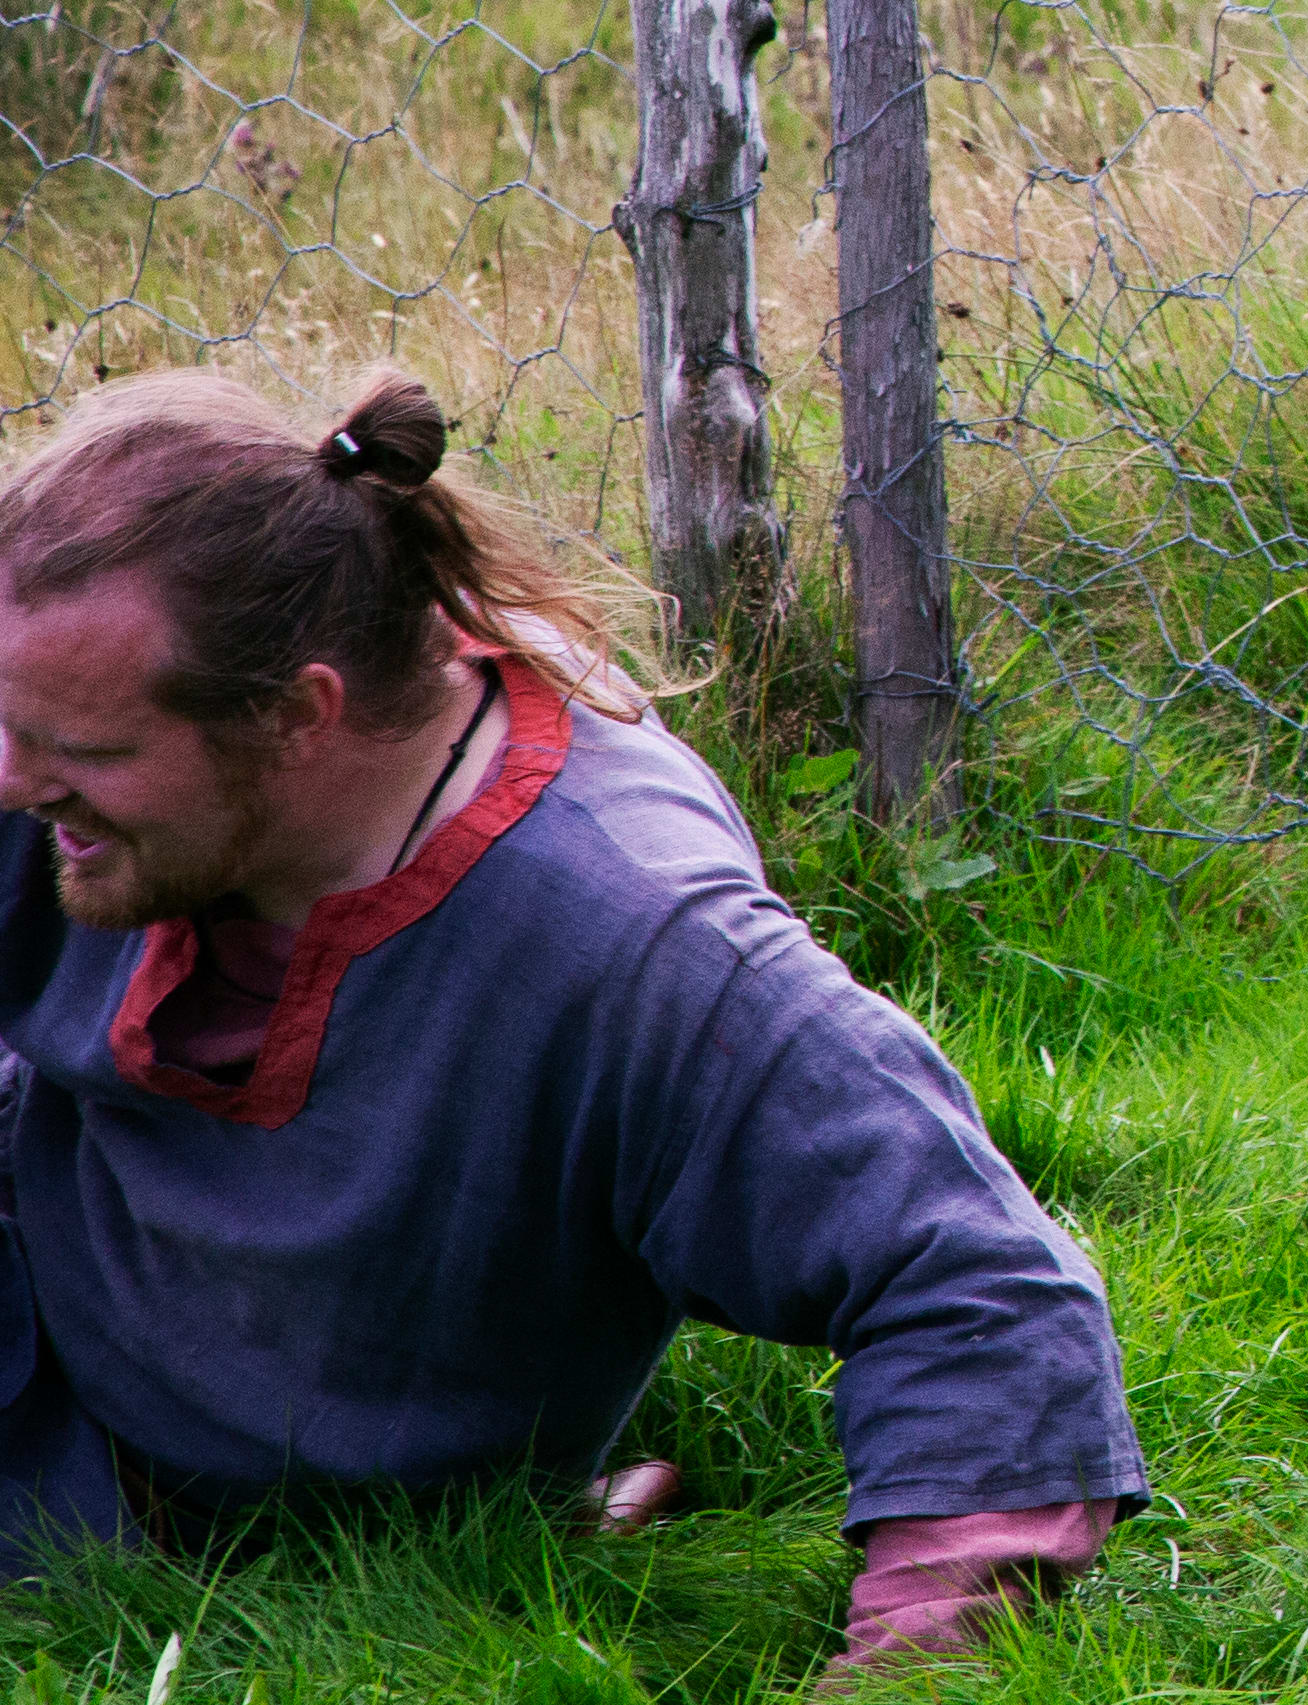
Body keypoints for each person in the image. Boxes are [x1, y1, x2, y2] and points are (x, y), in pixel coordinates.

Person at [0, 368, 1142, 1671]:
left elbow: (979, 1288)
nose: (15, 776)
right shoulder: (79, 742)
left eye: (77, 750)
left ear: (296, 714)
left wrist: (911, 1673)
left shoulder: (636, 941)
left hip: (254, 1519)